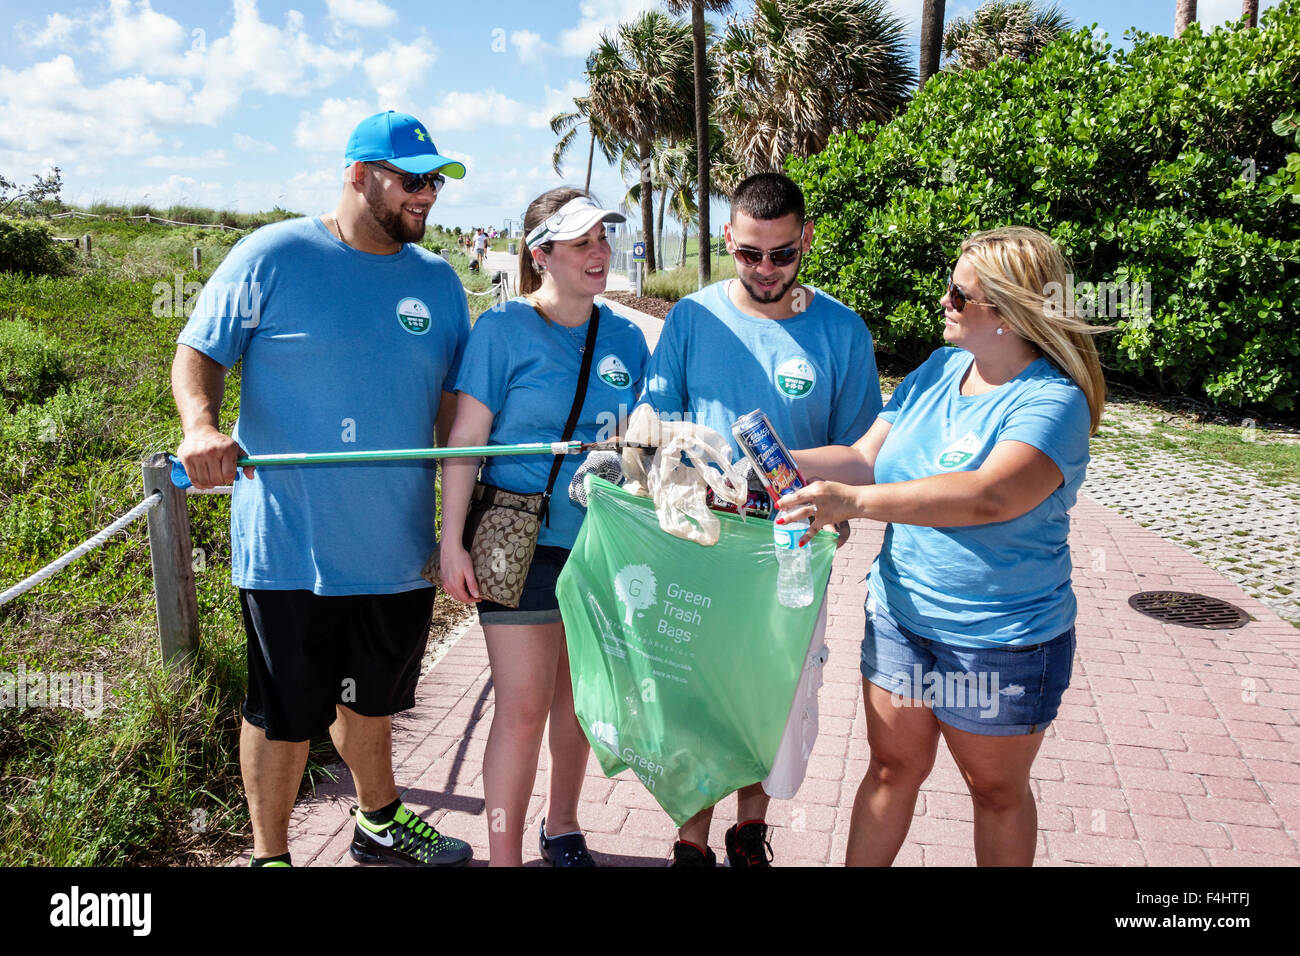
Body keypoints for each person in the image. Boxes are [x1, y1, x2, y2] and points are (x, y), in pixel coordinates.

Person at [171, 110, 474, 868]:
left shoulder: (439, 283)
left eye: (435, 181)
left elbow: (450, 414)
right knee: (284, 716)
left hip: (396, 547)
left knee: (371, 701)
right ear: (357, 174)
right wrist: (201, 428)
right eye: (413, 181)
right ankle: (272, 857)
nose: (428, 196)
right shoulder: (272, 255)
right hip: (289, 549)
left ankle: (378, 821)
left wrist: (460, 525)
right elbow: (199, 351)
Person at [776, 225, 1107, 866]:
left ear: (1009, 315)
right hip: (902, 619)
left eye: (961, 295)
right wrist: (766, 457)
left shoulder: (1052, 401)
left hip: (1001, 638)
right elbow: (864, 458)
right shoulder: (940, 367)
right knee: (890, 769)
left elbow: (987, 496)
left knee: (995, 790)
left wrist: (852, 506)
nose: (945, 302)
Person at [640, 171, 883, 866]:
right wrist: (683, 471)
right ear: (726, 240)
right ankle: (690, 840)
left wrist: (822, 496)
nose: (767, 269)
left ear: (807, 239)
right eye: (750, 254)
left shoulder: (841, 329)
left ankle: (750, 832)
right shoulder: (692, 318)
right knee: (694, 692)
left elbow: (863, 456)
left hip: (792, 549)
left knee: (768, 692)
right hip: (701, 545)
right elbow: (657, 426)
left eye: (783, 254)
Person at [439, 188, 650, 866]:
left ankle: (561, 827)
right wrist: (449, 543)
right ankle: (503, 857)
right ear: (542, 255)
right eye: (583, 242)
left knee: (582, 703)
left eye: (604, 239)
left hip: (598, 545)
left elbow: (640, 443)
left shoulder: (623, 335)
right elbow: (465, 442)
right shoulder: (502, 329)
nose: (601, 253)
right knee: (522, 709)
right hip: (515, 545)